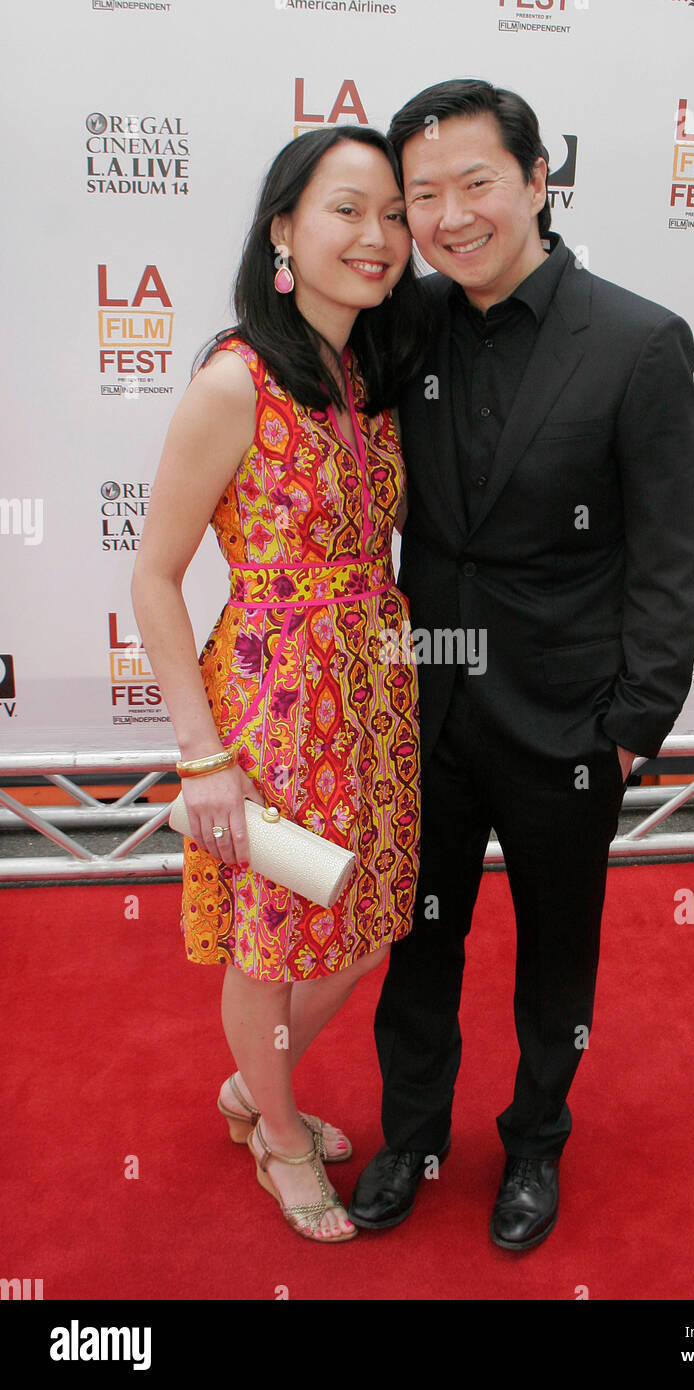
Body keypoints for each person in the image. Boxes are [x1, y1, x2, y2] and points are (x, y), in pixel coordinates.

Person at [349, 80, 694, 1250]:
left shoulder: (637, 339)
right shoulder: (408, 323)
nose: (450, 217)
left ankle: (535, 1145)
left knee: (558, 954)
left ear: (536, 181)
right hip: (428, 699)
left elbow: (666, 546)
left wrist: (629, 721)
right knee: (419, 943)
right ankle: (410, 1136)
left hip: (567, 721)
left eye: (475, 184)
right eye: (423, 196)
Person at [131, 126, 426, 1244]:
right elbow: (155, 573)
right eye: (347, 209)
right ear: (282, 231)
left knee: (363, 929)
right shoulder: (232, 379)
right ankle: (282, 1135)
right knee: (278, 937)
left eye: (393, 214)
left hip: (375, 700)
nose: (377, 236)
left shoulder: (365, 372)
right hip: (272, 713)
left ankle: (255, 1085)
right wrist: (201, 755)